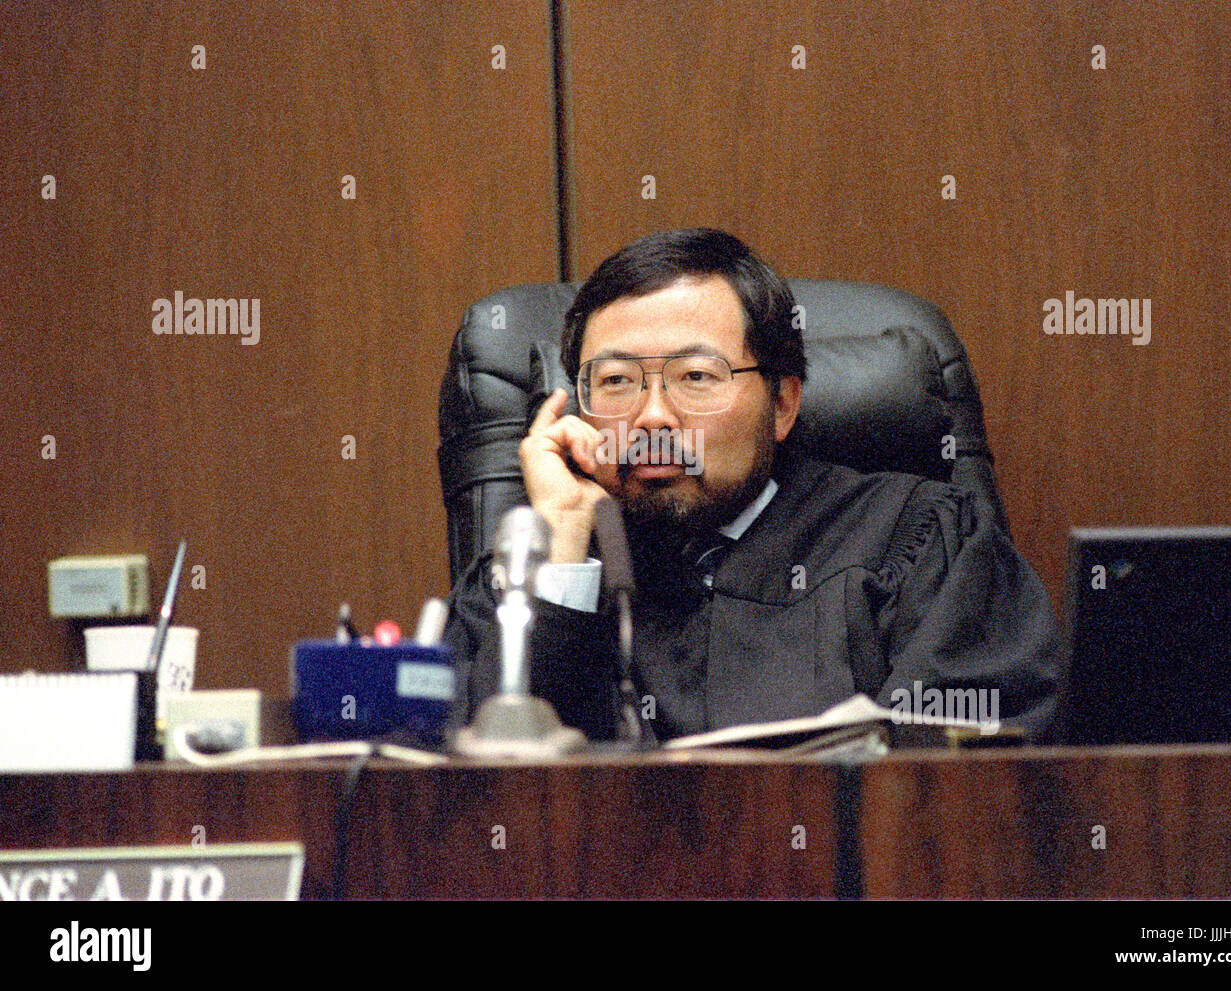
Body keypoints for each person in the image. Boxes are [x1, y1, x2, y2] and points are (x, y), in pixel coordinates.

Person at [442, 228, 1064, 743]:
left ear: (784, 403)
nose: (652, 416)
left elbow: (975, 784)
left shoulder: (921, 536)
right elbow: (477, 804)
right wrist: (564, 557)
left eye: (696, 376)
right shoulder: (523, 576)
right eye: (614, 382)